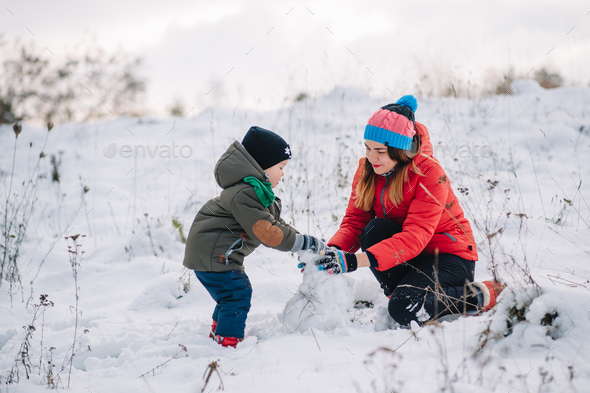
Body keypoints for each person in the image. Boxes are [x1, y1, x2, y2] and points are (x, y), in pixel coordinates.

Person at [315, 95, 503, 326]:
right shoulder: (368, 169)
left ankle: (481, 294)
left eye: (380, 151)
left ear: (400, 150)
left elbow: (416, 236)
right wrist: (329, 253)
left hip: (449, 257)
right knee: (373, 230)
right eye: (367, 148)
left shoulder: (430, 174)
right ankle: (407, 293)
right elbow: (355, 222)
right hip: (411, 256)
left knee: (404, 308)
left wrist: (354, 261)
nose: (371, 157)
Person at [183, 126, 325, 347]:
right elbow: (267, 231)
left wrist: (301, 243)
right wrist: (301, 243)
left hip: (213, 254)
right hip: (215, 255)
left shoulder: (255, 191)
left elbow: (275, 224)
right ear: (262, 167)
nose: (283, 173)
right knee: (237, 292)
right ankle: (228, 341)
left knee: (229, 294)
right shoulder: (246, 194)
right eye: (281, 167)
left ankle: (219, 332)